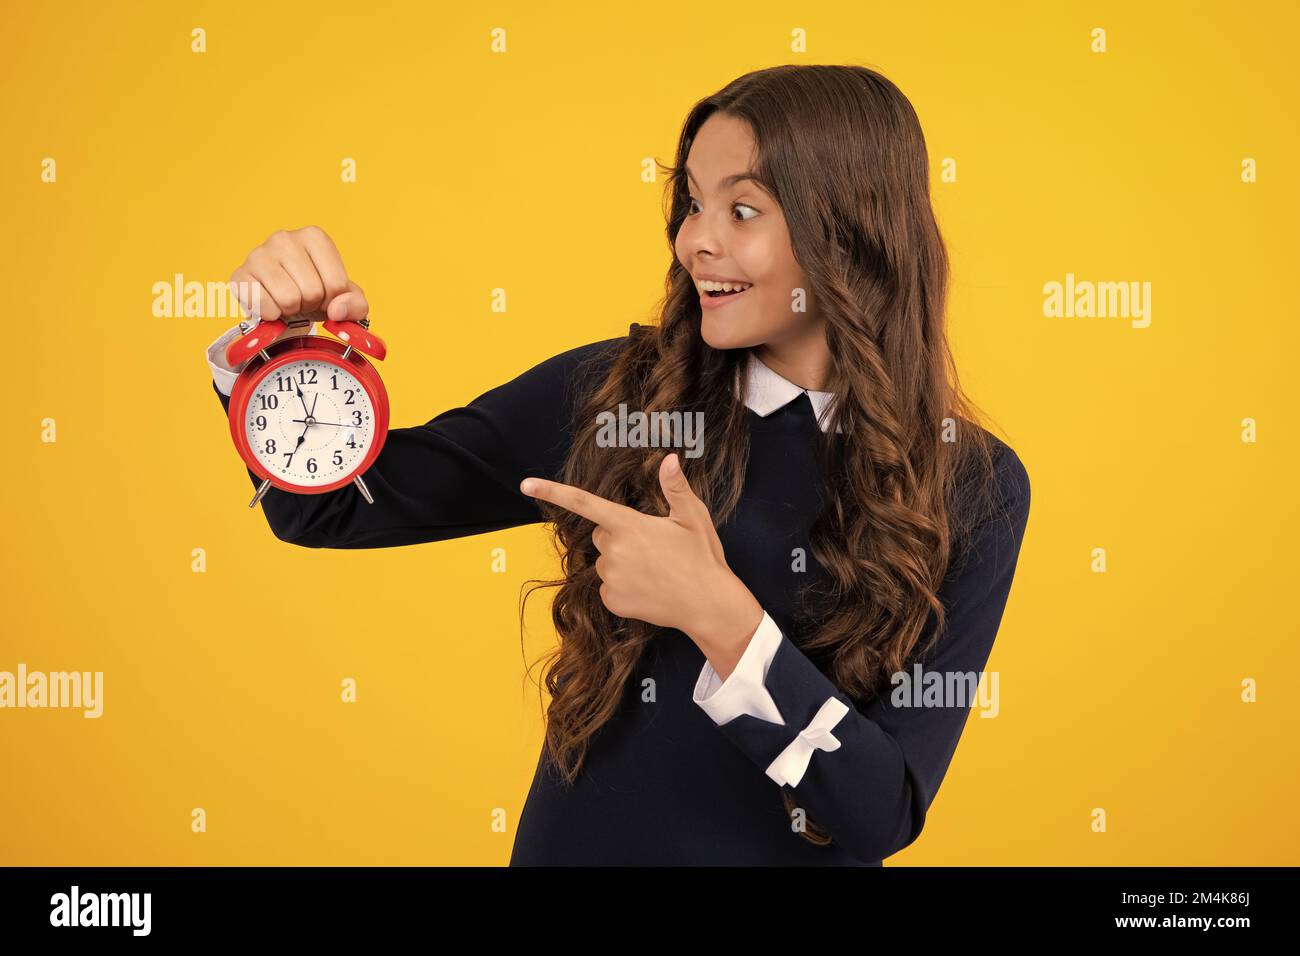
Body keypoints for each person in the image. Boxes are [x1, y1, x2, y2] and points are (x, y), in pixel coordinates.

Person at [205, 64, 1031, 866]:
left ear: (851, 230)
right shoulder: (618, 391)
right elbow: (330, 507)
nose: (696, 240)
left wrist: (719, 617)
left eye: (742, 209)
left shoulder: (975, 485)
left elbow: (881, 811)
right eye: (693, 203)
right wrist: (291, 358)